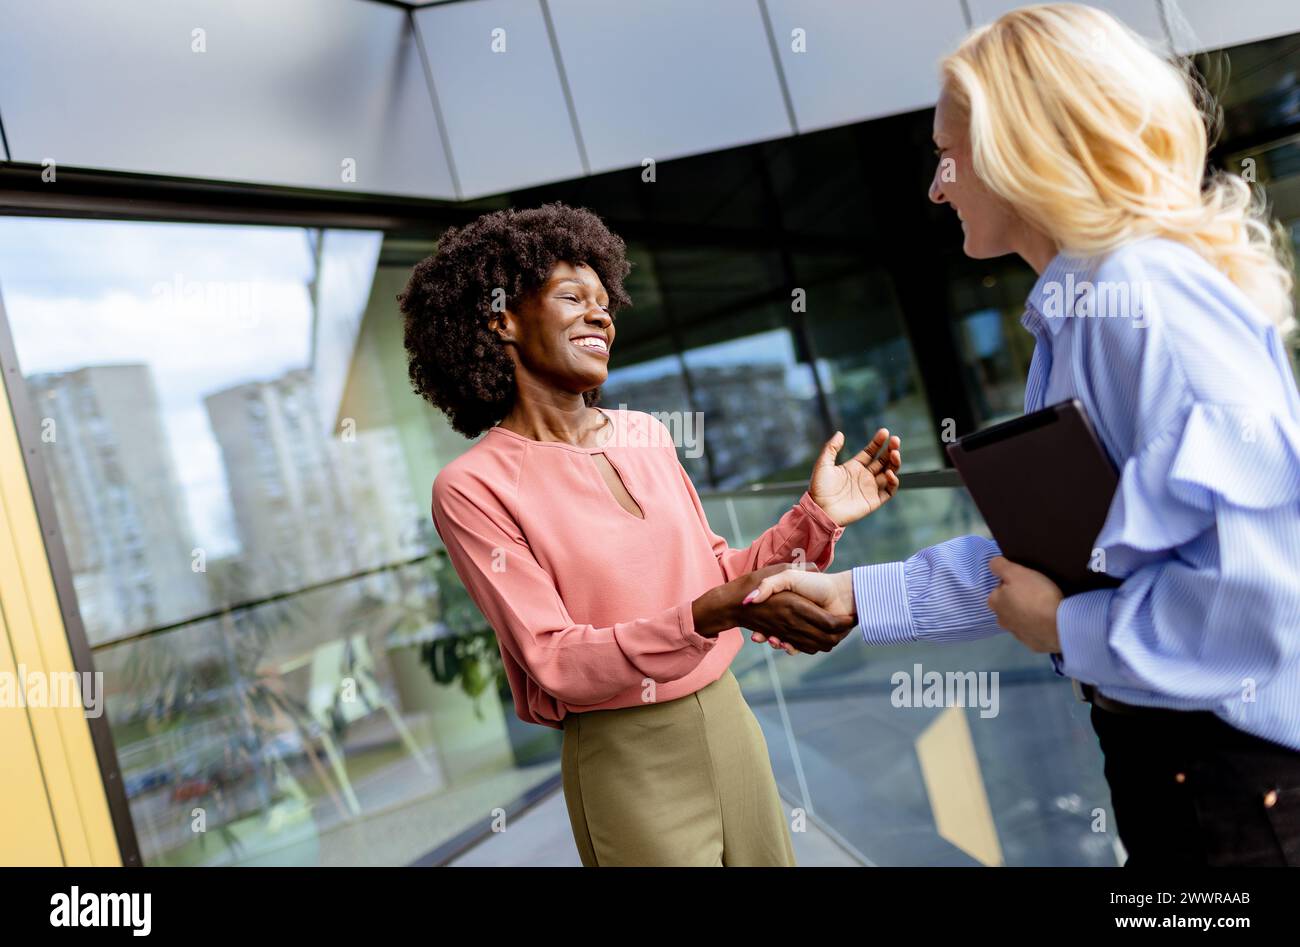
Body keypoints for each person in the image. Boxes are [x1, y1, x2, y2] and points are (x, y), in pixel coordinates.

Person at [746, 4, 1300, 866]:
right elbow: (1058, 569)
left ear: (1019, 147)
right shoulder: (1082, 316)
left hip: (1237, 789)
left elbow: (1258, 604)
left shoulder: (1145, 302)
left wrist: (1068, 630)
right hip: (1177, 771)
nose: (936, 186)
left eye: (946, 154)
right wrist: (859, 597)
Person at [399, 203, 901, 866]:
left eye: (605, 301)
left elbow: (720, 578)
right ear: (503, 319)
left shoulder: (646, 434)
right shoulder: (473, 486)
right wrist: (705, 614)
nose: (600, 314)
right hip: (626, 757)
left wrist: (817, 516)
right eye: (571, 297)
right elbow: (554, 658)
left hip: (729, 721)